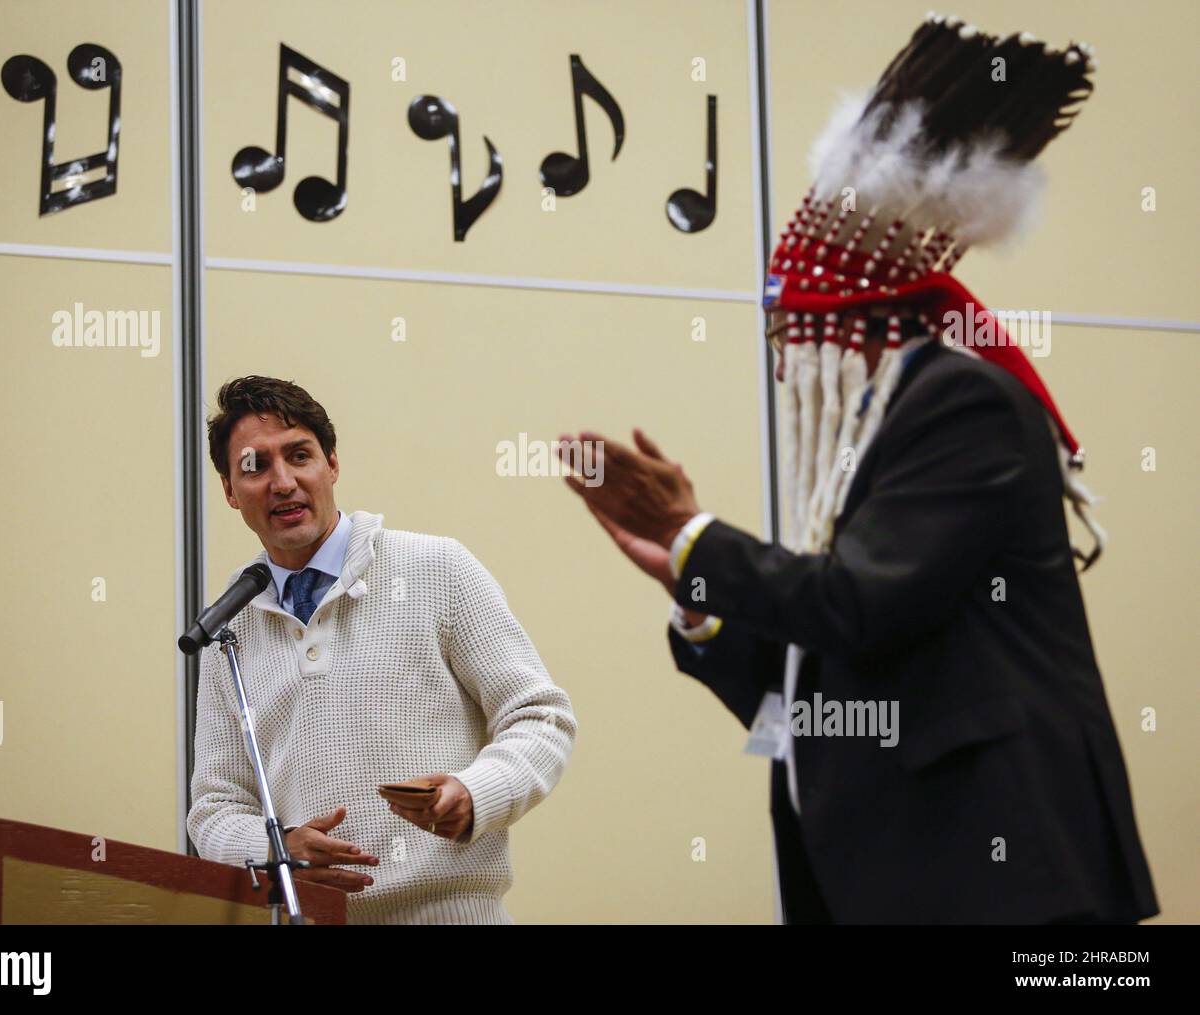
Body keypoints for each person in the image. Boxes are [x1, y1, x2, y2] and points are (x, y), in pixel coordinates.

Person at [558, 15, 1158, 924]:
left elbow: (857, 605)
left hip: (1009, 884)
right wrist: (695, 593)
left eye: (793, 338)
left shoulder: (964, 405)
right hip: (905, 880)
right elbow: (813, 677)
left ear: (860, 329)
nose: (784, 365)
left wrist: (695, 535)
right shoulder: (880, 440)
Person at [188, 375, 575, 924]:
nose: (283, 482)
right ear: (230, 490)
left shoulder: (436, 569)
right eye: (256, 466)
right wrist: (279, 850)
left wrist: (474, 792)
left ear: (332, 465)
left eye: (300, 455)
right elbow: (215, 808)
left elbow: (542, 716)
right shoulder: (228, 626)